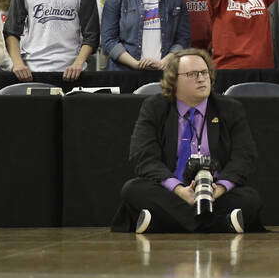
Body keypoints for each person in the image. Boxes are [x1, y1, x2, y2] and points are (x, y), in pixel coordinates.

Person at [111, 48, 262, 234]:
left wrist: (220, 188)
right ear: (174, 81)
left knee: (250, 198)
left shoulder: (230, 109)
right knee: (133, 189)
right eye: (192, 74)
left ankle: (160, 223)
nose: (202, 78)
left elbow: (244, 156)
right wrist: (179, 190)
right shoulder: (155, 107)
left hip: (215, 192)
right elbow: (143, 157)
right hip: (171, 192)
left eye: (205, 72)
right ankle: (219, 224)